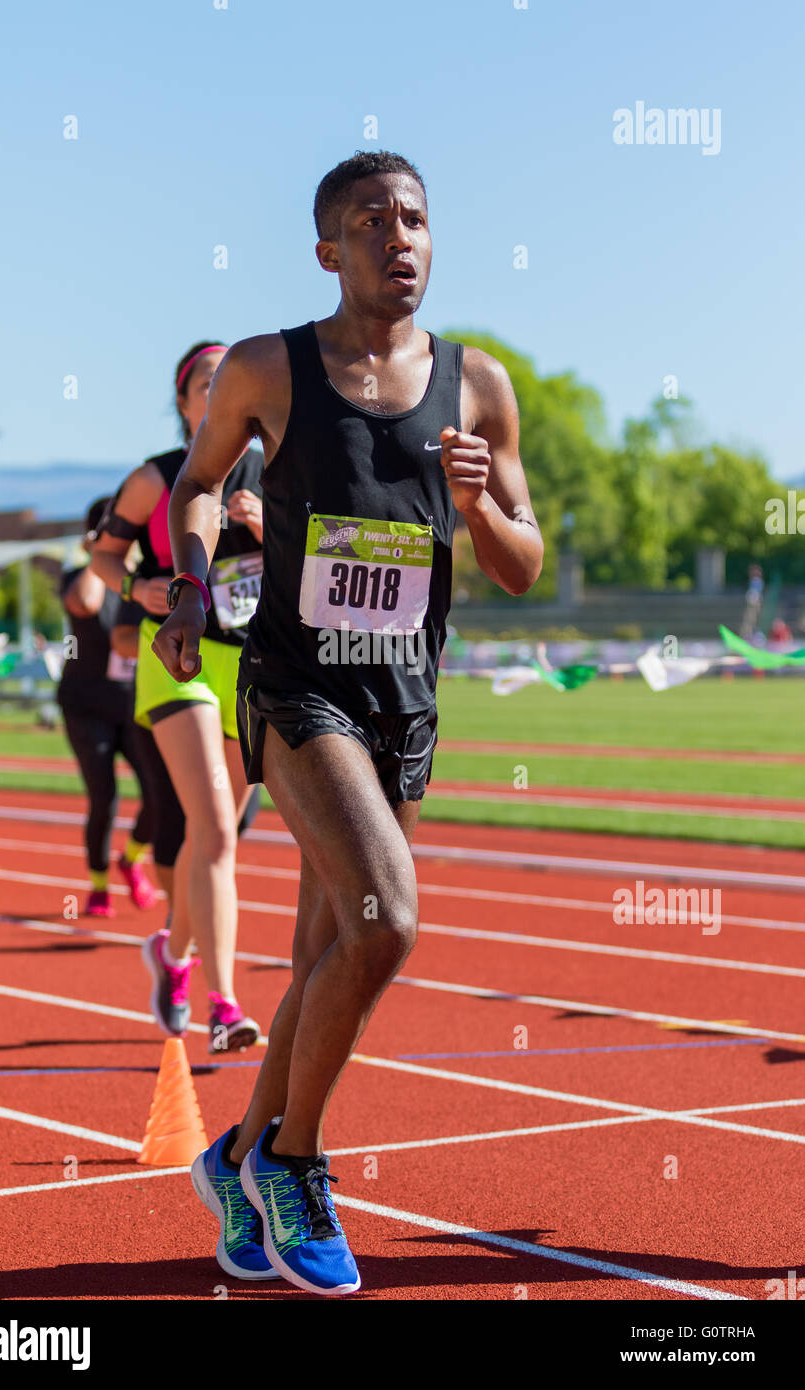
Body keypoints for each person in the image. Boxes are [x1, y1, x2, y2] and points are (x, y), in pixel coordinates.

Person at [156, 152, 543, 1295]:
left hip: (404, 700)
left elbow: (521, 566)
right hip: (294, 683)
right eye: (373, 221)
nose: (400, 236)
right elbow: (192, 486)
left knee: (329, 951)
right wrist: (187, 584)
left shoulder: (479, 385)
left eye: (415, 218)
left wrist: (478, 506)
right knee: (386, 921)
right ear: (328, 250)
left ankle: (234, 1152)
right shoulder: (271, 368)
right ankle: (294, 1159)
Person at [91, 343, 265, 1051]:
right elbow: (103, 556)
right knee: (216, 831)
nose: (220, 390)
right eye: (205, 381)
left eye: (232, 380)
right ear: (185, 401)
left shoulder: (277, 471)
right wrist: (136, 586)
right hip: (180, 657)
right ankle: (225, 1004)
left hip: (254, 665)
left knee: (210, 836)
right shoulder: (157, 477)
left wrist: (269, 526)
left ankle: (172, 953)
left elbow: (325, 558)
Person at [57, 498, 160, 918]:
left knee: (159, 793)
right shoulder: (78, 578)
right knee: (105, 796)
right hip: (85, 705)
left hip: (134, 704)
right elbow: (86, 603)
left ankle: (132, 859)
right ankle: (98, 885)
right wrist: (97, 559)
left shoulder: (144, 583)